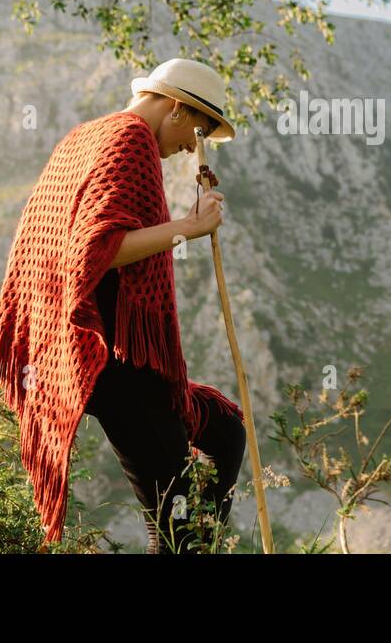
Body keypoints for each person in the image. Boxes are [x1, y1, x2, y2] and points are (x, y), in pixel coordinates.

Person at [81, 58, 247, 554]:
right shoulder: (129, 139)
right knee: (178, 525)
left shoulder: (90, 135)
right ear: (175, 107)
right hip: (112, 363)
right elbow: (97, 250)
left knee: (226, 432)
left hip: (126, 361)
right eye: (195, 132)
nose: (186, 150)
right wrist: (188, 228)